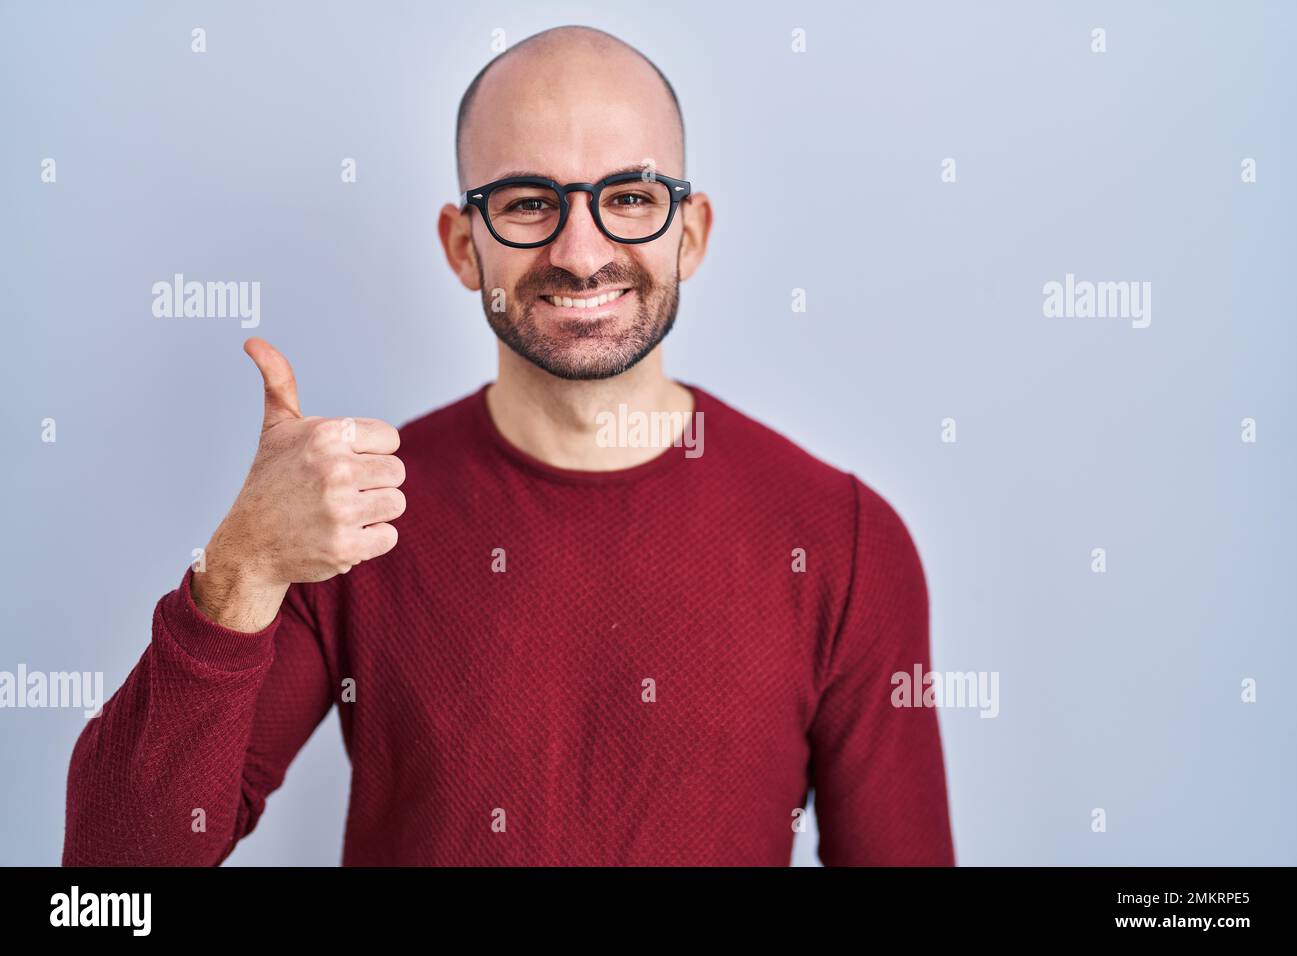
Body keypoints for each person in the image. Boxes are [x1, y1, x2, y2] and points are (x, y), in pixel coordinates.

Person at [63, 24, 955, 866]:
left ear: (691, 235)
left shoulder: (841, 539)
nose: (581, 248)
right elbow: (111, 877)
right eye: (529, 202)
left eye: (631, 197)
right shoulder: (350, 519)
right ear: (462, 247)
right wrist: (242, 566)